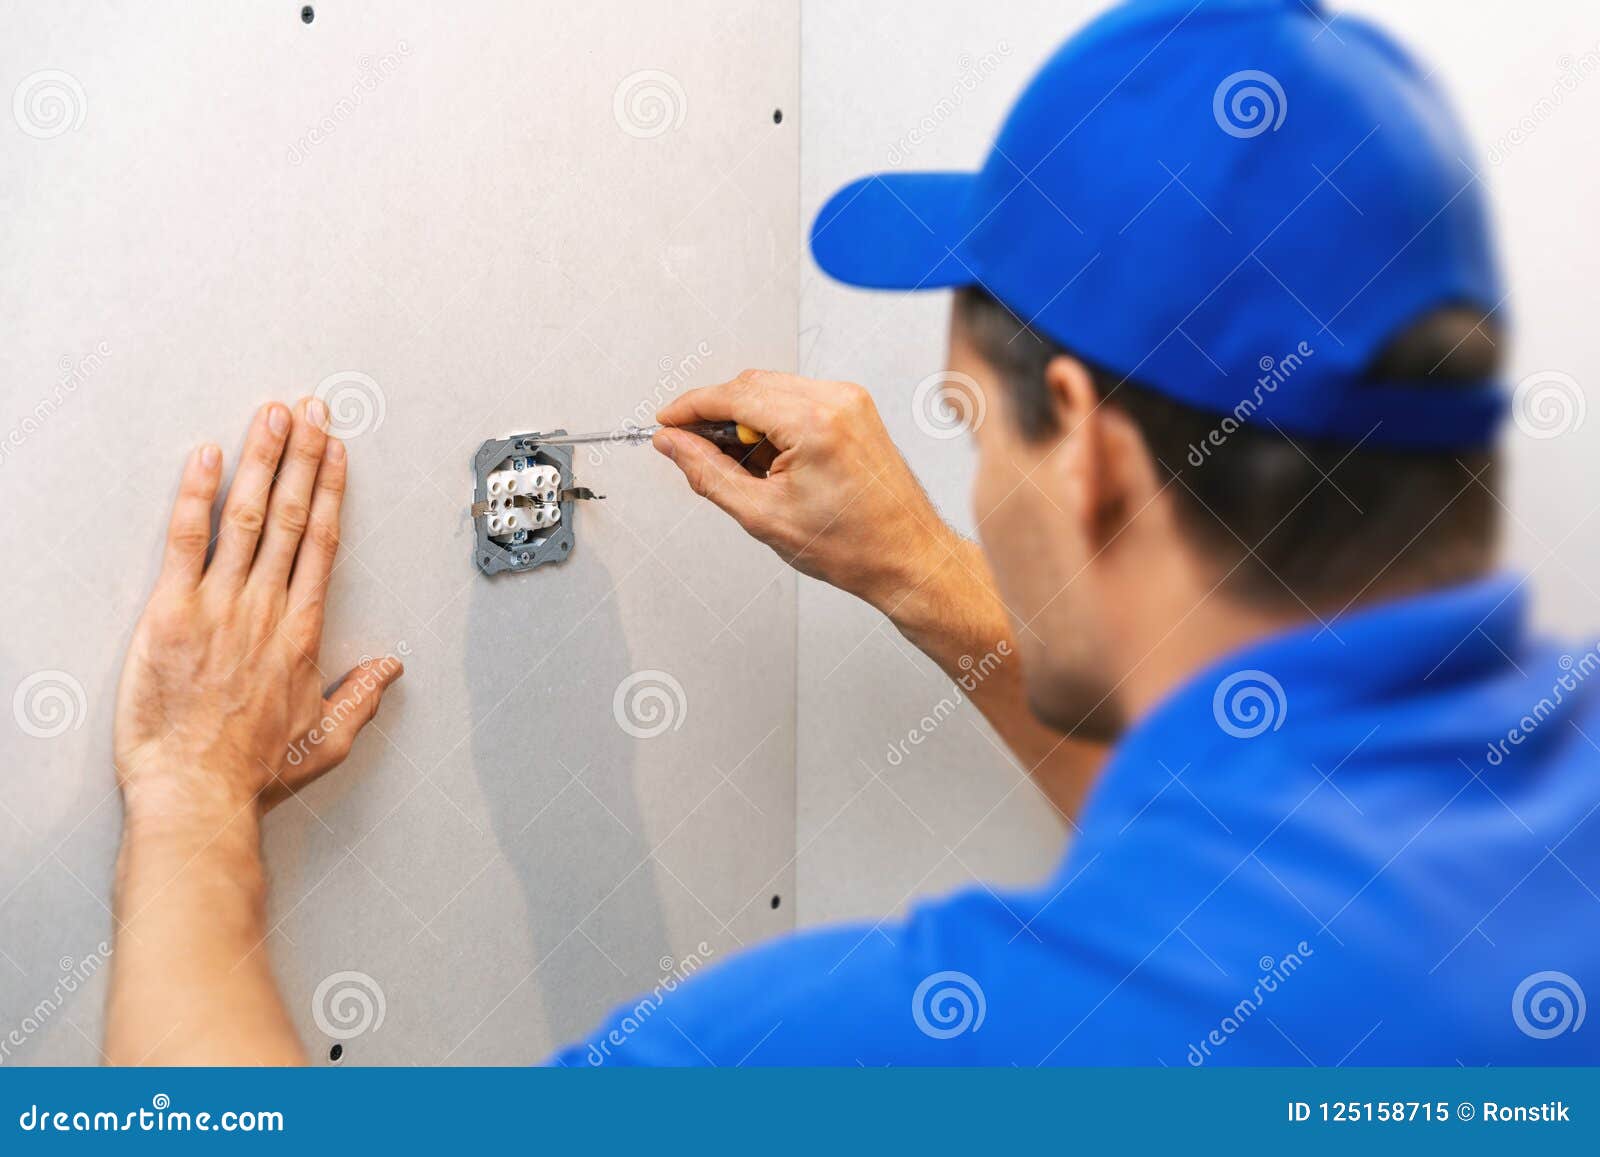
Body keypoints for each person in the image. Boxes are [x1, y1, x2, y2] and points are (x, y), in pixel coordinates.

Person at [106, 0, 1599, 1066]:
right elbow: (1233, 865)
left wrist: (188, 807)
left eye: (966, 419)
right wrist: (919, 574)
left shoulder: (848, 1060)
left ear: (1076, 439)